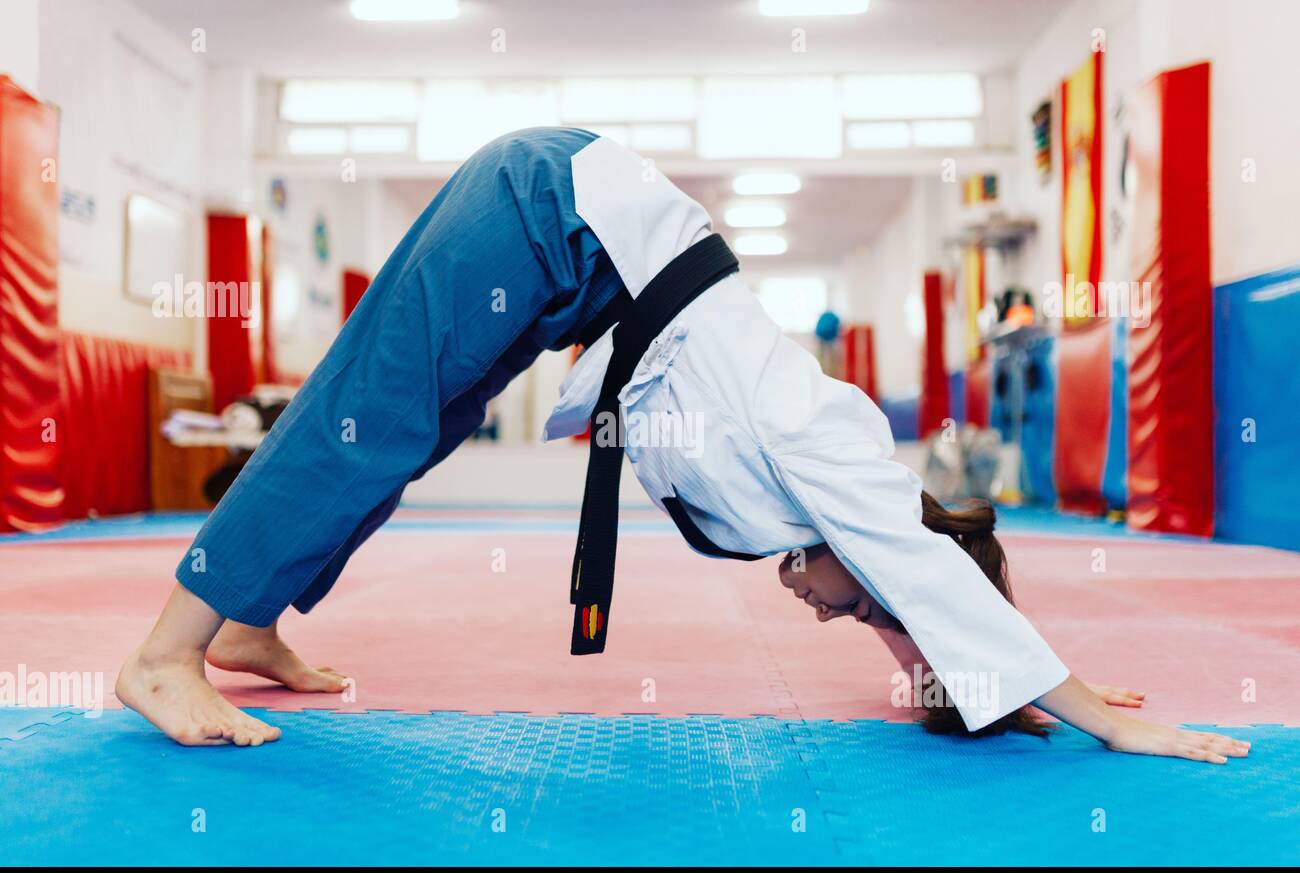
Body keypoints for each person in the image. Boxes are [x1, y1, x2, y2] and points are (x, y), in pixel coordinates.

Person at [116, 128, 1250, 765]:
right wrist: (1101, 713)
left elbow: (910, 597)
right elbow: (912, 569)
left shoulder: (829, 511)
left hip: (559, 254)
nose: (820, 610)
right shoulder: (837, 459)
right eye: (855, 610)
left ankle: (251, 615)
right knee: (365, 420)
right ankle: (166, 651)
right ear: (888, 560)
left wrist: (987, 681)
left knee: (402, 438)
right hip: (547, 212)